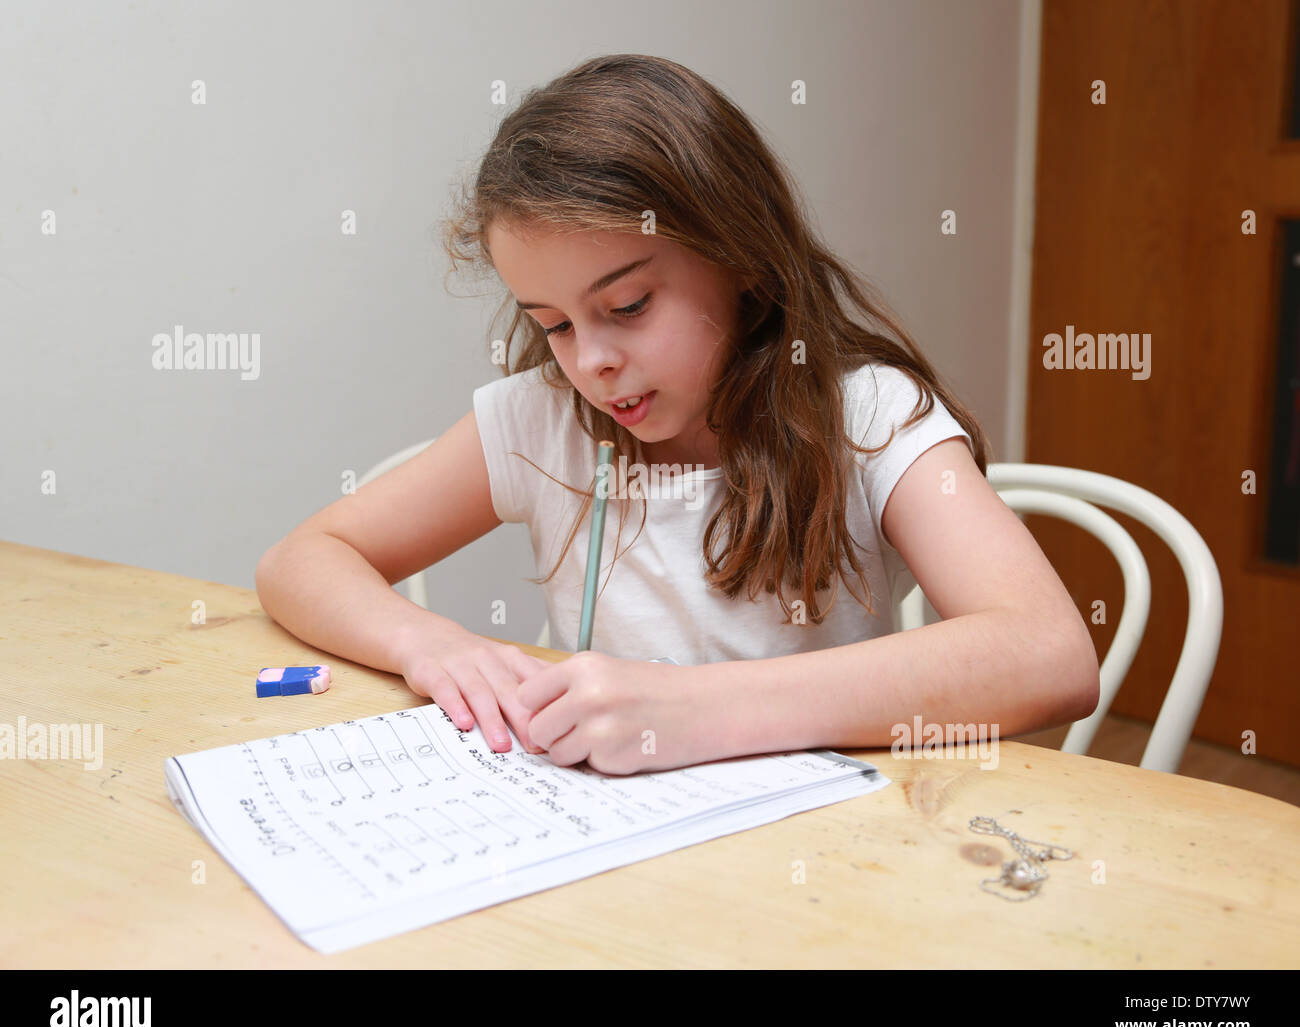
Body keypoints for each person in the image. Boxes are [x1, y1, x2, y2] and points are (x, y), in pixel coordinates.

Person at [256, 54, 1099, 776]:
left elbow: (1047, 654)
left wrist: (699, 710)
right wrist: (427, 644)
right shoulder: (542, 423)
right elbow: (303, 559)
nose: (590, 361)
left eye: (625, 305)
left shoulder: (869, 416)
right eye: (551, 324)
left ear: (741, 256)